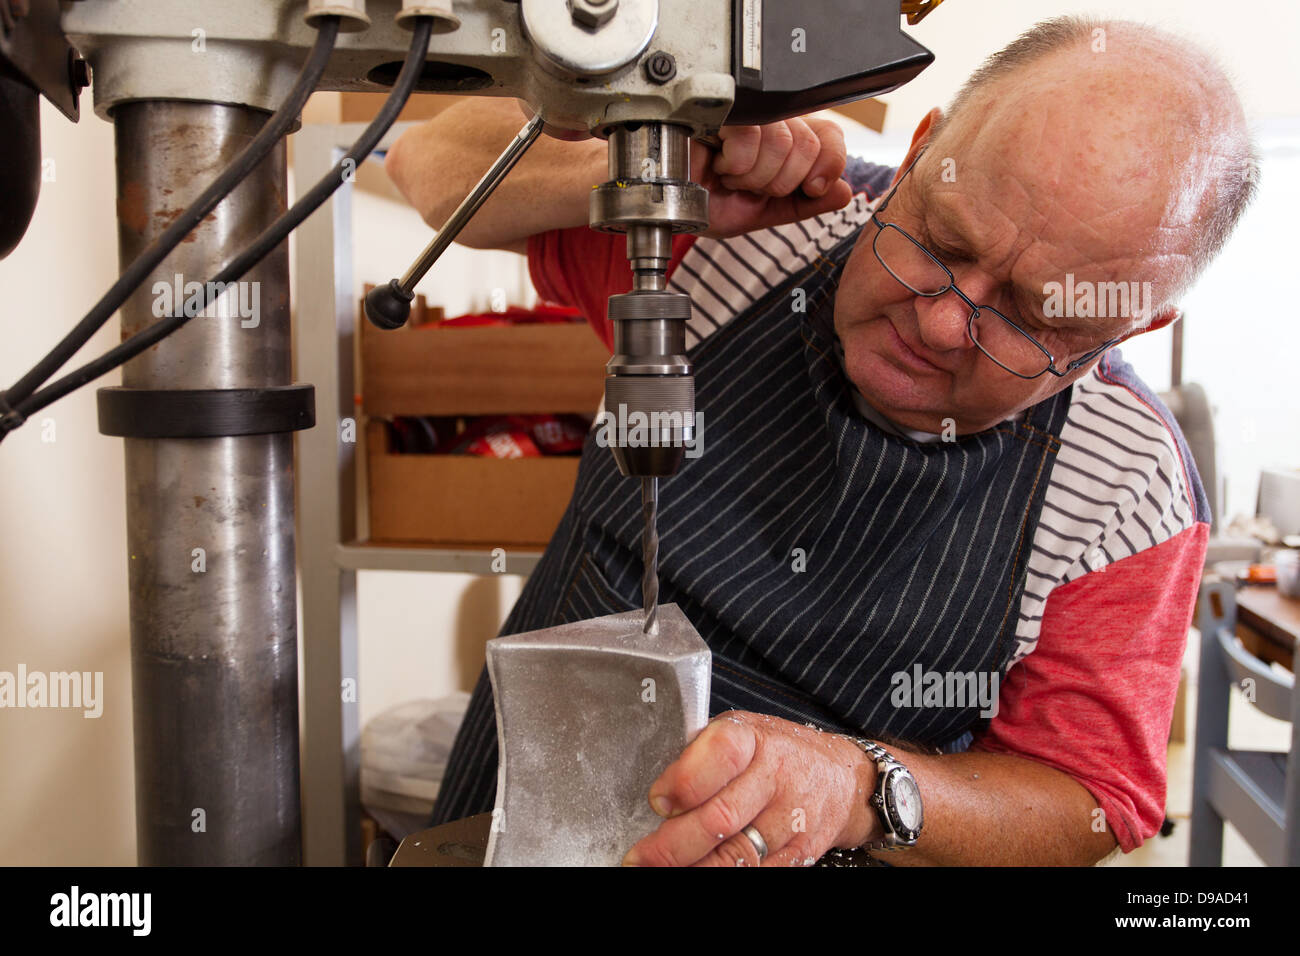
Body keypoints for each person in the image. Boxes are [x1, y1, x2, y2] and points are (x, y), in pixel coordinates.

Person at [385, 15, 1257, 866]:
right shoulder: (747, 231)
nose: (947, 323)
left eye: (1034, 315)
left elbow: (1089, 801)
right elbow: (427, 164)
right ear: (921, 149)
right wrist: (650, 168)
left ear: (1135, 325)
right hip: (516, 822)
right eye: (944, 242)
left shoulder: (1131, 491)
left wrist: (863, 790)